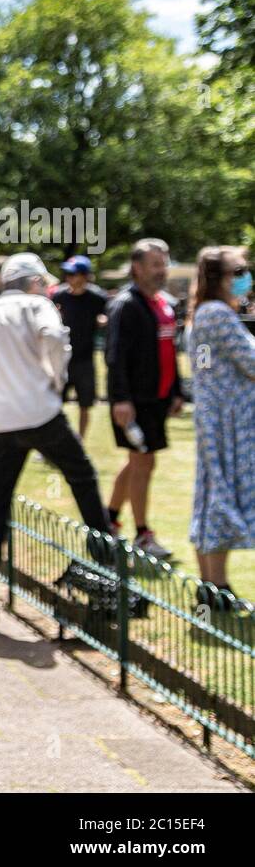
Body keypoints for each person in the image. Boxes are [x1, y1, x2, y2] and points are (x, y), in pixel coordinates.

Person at [0, 253, 113, 625]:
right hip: (40, 415)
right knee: (83, 480)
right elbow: (52, 336)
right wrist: (55, 378)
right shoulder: (38, 306)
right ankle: (110, 572)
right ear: (34, 282)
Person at [104, 238, 184, 558]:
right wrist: (121, 398)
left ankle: (108, 520)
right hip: (134, 401)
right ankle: (142, 534)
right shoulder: (126, 305)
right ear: (137, 268)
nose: (161, 270)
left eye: (164, 263)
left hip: (157, 400)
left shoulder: (163, 304)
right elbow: (115, 356)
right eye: (155, 264)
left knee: (139, 461)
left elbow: (170, 352)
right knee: (143, 463)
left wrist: (176, 391)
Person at [186, 246, 255, 609]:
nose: (245, 275)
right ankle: (216, 589)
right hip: (226, 422)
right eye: (238, 270)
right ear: (219, 278)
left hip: (220, 419)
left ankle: (213, 588)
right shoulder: (216, 314)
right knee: (219, 498)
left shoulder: (207, 313)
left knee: (213, 494)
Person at [51, 255, 109, 440]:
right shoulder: (59, 296)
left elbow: (108, 316)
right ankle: (53, 443)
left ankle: (80, 441)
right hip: (62, 359)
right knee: (54, 403)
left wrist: (103, 321)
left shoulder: (97, 298)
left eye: (73, 273)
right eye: (67, 273)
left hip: (85, 359)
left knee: (85, 404)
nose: (68, 277)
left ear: (84, 276)